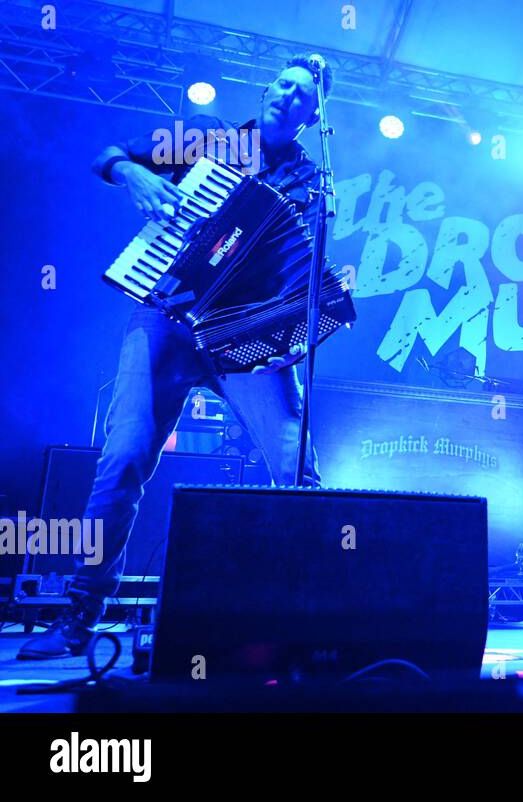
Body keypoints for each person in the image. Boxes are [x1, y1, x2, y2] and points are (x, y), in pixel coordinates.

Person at [20, 56, 335, 660]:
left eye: (304, 95)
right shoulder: (206, 139)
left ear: (314, 114)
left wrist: (290, 341)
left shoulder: (312, 186)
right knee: (124, 458)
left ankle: (310, 612)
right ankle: (80, 613)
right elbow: (106, 154)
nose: (291, 96)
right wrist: (132, 176)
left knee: (295, 465)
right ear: (268, 89)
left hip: (244, 336)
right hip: (165, 312)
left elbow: (302, 280)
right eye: (285, 84)